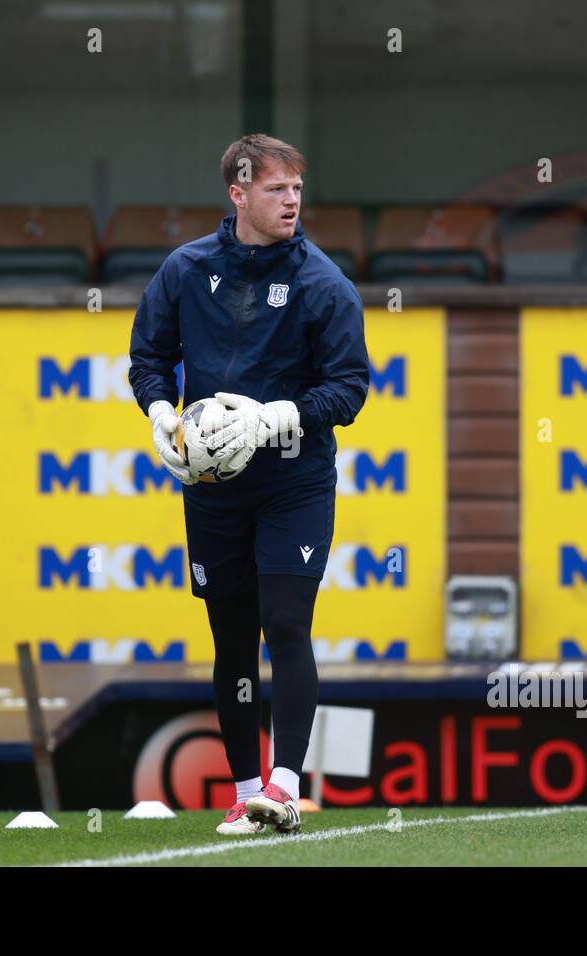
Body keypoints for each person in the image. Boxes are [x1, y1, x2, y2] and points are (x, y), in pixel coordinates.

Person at [128, 133, 370, 834]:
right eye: (276, 188)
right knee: (231, 640)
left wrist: (277, 417)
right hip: (211, 485)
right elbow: (149, 355)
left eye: (297, 187)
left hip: (294, 481)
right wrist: (158, 413)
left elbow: (350, 389)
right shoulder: (184, 269)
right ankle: (244, 794)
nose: (292, 199)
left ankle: (286, 788)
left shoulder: (324, 283)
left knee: (287, 624)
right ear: (238, 194)